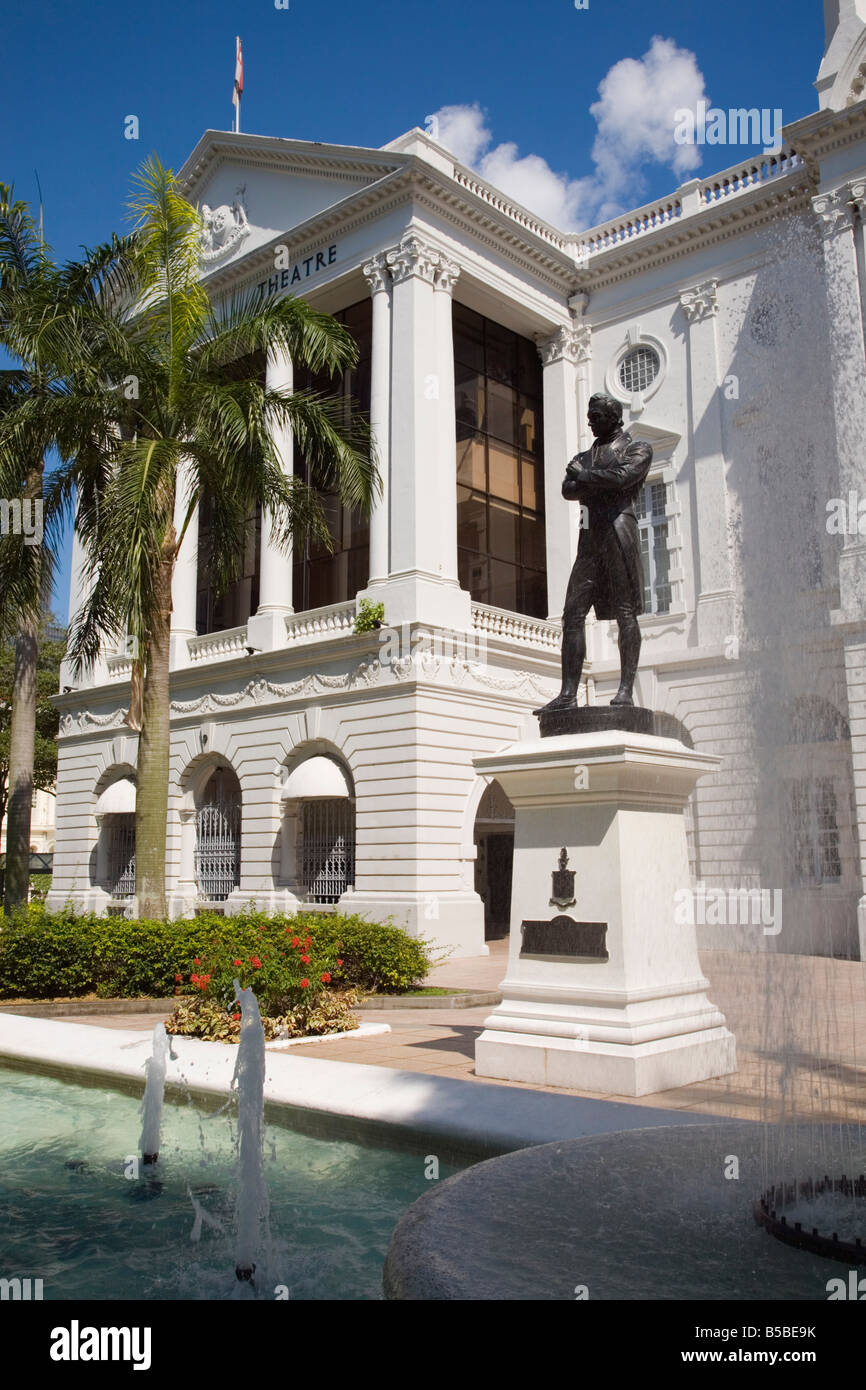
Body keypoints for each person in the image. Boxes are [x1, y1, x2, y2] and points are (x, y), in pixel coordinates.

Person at [539, 392, 653, 711]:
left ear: (614, 417)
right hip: (590, 540)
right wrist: (592, 480)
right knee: (572, 614)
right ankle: (567, 695)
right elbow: (567, 490)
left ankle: (625, 691)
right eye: (589, 417)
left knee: (625, 612)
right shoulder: (585, 455)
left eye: (597, 417)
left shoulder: (637, 448)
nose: (591, 421)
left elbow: (623, 478)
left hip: (618, 532)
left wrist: (585, 476)